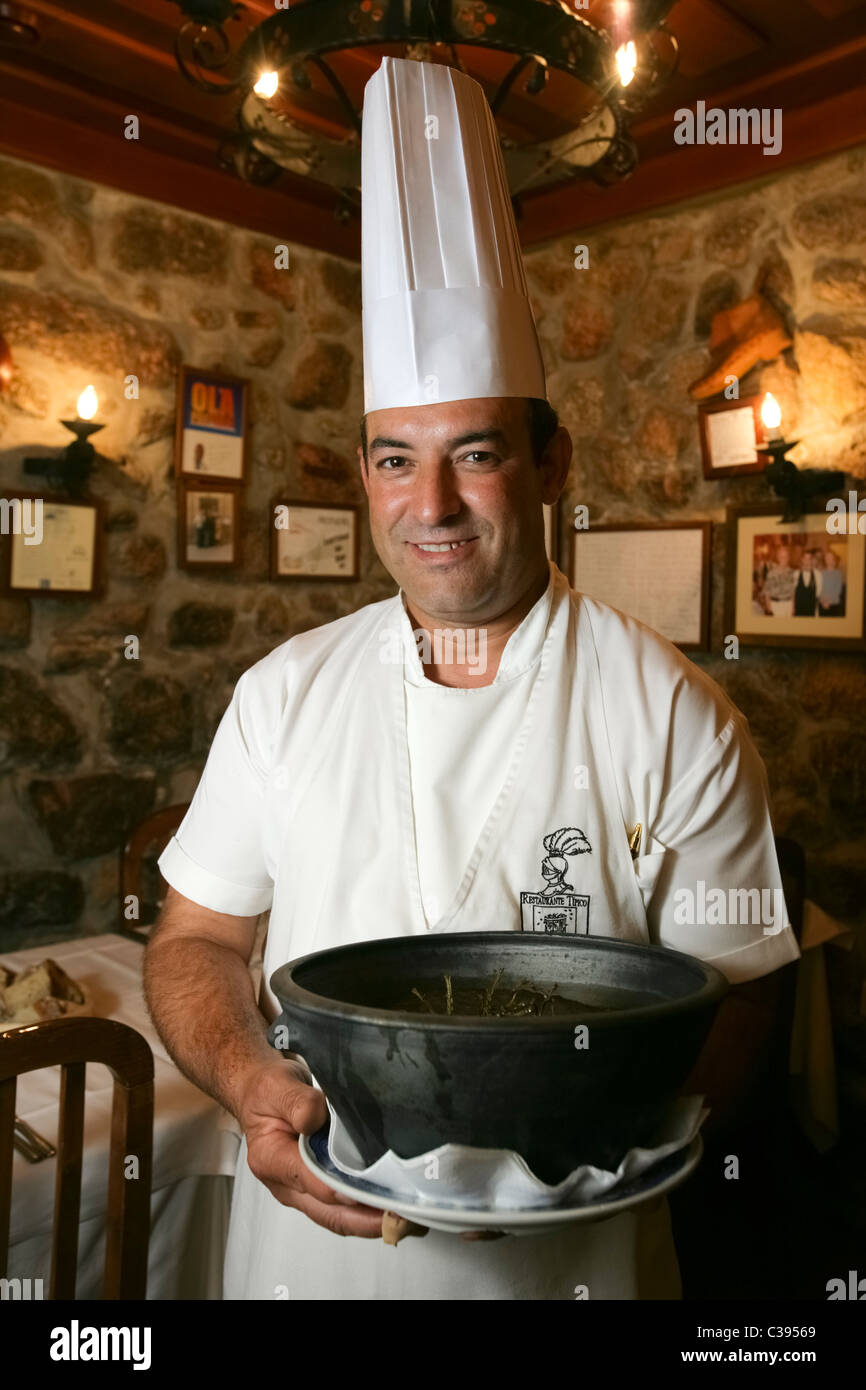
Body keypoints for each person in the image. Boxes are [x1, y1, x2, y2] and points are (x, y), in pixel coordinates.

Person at [144, 56, 800, 1301]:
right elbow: (196, 940)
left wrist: (587, 1151)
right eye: (396, 460)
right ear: (364, 475)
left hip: (572, 1262)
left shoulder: (670, 711)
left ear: (551, 463)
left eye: (476, 454)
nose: (430, 506)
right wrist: (248, 1083)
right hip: (308, 1252)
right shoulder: (284, 692)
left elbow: (745, 994)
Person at [762, 544, 796, 617]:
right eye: (781, 557)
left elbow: (793, 592)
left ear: (788, 558)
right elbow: (767, 593)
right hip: (775, 605)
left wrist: (793, 608)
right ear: (778, 557)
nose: (783, 559)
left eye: (785, 557)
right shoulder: (771, 573)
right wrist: (769, 609)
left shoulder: (792, 572)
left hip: (788, 605)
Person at [818, 549, 846, 616]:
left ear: (834, 559)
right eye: (827, 558)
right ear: (825, 559)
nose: (828, 560)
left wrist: (829, 602)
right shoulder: (821, 573)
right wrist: (823, 601)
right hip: (822, 603)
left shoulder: (838, 573)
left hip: (834, 604)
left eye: (830, 558)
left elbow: (838, 590)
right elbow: (819, 589)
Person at [792, 548, 818, 617]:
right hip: (799, 609)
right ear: (802, 559)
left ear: (811, 560)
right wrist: (793, 608)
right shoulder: (796, 573)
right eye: (805, 558)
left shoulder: (817, 574)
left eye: (809, 559)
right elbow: (793, 592)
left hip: (811, 610)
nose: (807, 561)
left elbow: (818, 593)